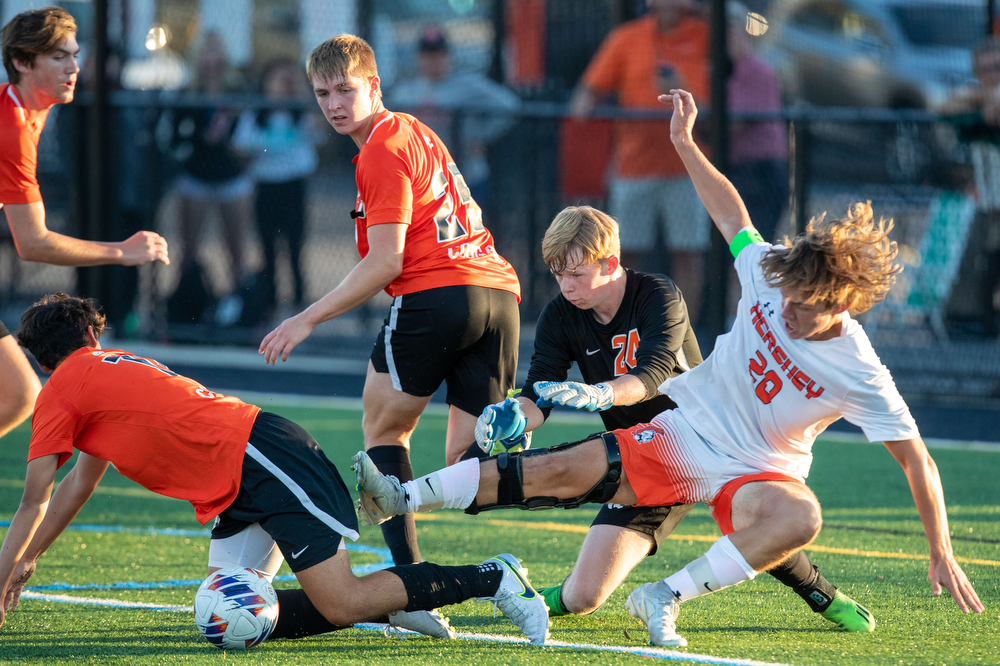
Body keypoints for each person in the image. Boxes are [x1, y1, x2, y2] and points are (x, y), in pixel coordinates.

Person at [352, 89, 984, 646]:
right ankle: (401, 498)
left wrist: (940, 548)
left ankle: (670, 595)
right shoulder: (771, 274)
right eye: (785, 295)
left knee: (800, 519)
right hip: (684, 434)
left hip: (754, 471)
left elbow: (917, 460)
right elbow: (732, 215)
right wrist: (683, 143)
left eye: (806, 305)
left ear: (844, 303)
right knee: (571, 540)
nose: (786, 308)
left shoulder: (857, 368)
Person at [0, 293, 550, 646]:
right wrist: (24, 564)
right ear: (90, 338)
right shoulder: (104, 370)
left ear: (40, 361)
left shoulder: (63, 389)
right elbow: (78, 485)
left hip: (261, 460)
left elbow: (36, 500)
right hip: (243, 474)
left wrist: (9, 572)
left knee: (341, 601)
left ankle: (492, 576)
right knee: (229, 615)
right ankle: (393, 603)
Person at [472, 205, 873, 632]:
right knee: (583, 596)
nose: (565, 286)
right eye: (557, 274)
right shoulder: (560, 314)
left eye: (575, 274)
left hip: (708, 440)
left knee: (764, 521)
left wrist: (598, 393)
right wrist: (515, 416)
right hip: (642, 460)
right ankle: (522, 592)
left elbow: (652, 375)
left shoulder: (657, 294)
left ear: (610, 263)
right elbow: (541, 394)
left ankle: (820, 592)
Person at [259, 35, 521, 569]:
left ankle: (409, 581)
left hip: (439, 295)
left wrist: (305, 319)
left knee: (383, 432)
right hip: (499, 296)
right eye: (322, 93)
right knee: (469, 469)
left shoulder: (380, 148)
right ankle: (589, 472)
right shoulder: (415, 130)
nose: (333, 104)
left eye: (345, 89)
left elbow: (386, 263)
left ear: (374, 86)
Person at [0, 7, 169, 441]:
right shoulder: (13, 125)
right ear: (22, 61)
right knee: (18, 395)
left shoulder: (25, 112)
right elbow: (32, 242)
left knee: (17, 395)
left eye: (75, 54)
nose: (74, 67)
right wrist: (122, 251)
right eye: (59, 56)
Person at [568, 0, 709, 324]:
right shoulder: (627, 37)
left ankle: (681, 330)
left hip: (687, 167)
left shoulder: (705, 36)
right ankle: (624, 324)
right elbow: (588, 92)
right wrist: (585, 109)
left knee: (688, 251)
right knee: (623, 251)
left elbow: (718, 103)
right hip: (633, 166)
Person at [165, 31, 252, 327]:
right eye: (207, 48)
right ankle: (185, 307)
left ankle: (240, 306)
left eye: (218, 48)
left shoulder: (237, 89)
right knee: (189, 245)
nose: (212, 55)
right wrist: (200, 136)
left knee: (236, 248)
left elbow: (250, 133)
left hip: (232, 177)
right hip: (196, 177)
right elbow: (176, 137)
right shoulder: (188, 92)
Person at [233, 57, 326, 321]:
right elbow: (240, 146)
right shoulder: (256, 114)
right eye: (278, 79)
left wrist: (302, 96)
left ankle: (300, 309)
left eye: (289, 80)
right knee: (268, 250)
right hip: (266, 188)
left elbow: (321, 136)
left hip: (294, 187)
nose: (283, 85)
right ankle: (270, 308)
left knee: (295, 249)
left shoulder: (302, 113)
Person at [386, 26, 521, 204]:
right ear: (419, 58)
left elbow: (511, 105)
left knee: (471, 231)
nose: (433, 60)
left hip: (465, 178)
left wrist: (480, 136)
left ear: (449, 56)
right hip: (422, 181)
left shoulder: (468, 86)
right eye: (428, 54)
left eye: (438, 54)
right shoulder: (405, 92)